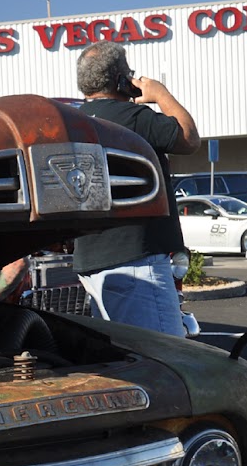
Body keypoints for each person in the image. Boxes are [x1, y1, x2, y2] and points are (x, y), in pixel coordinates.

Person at [71, 42, 200, 337]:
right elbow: (189, 138)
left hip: (91, 260)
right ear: (120, 78)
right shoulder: (133, 118)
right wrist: (159, 93)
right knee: (162, 354)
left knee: (123, 353)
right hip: (136, 260)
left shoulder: (73, 121)